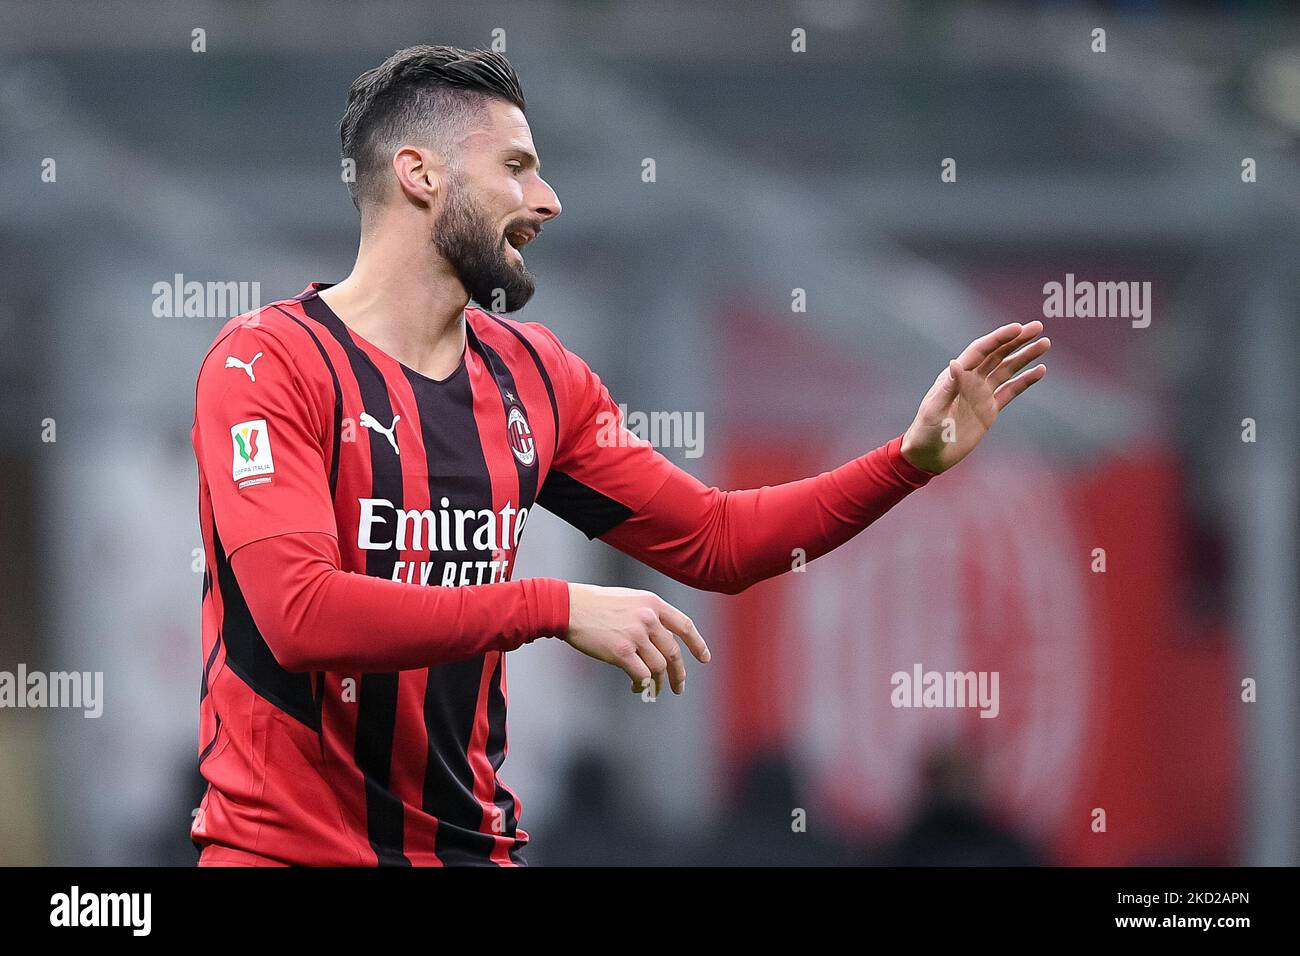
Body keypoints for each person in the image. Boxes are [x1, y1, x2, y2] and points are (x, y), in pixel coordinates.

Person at [190, 45, 1049, 866]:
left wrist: (906, 462)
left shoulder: (535, 377)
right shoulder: (267, 363)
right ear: (421, 175)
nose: (548, 198)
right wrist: (551, 606)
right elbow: (299, 616)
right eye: (517, 167)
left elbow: (714, 540)